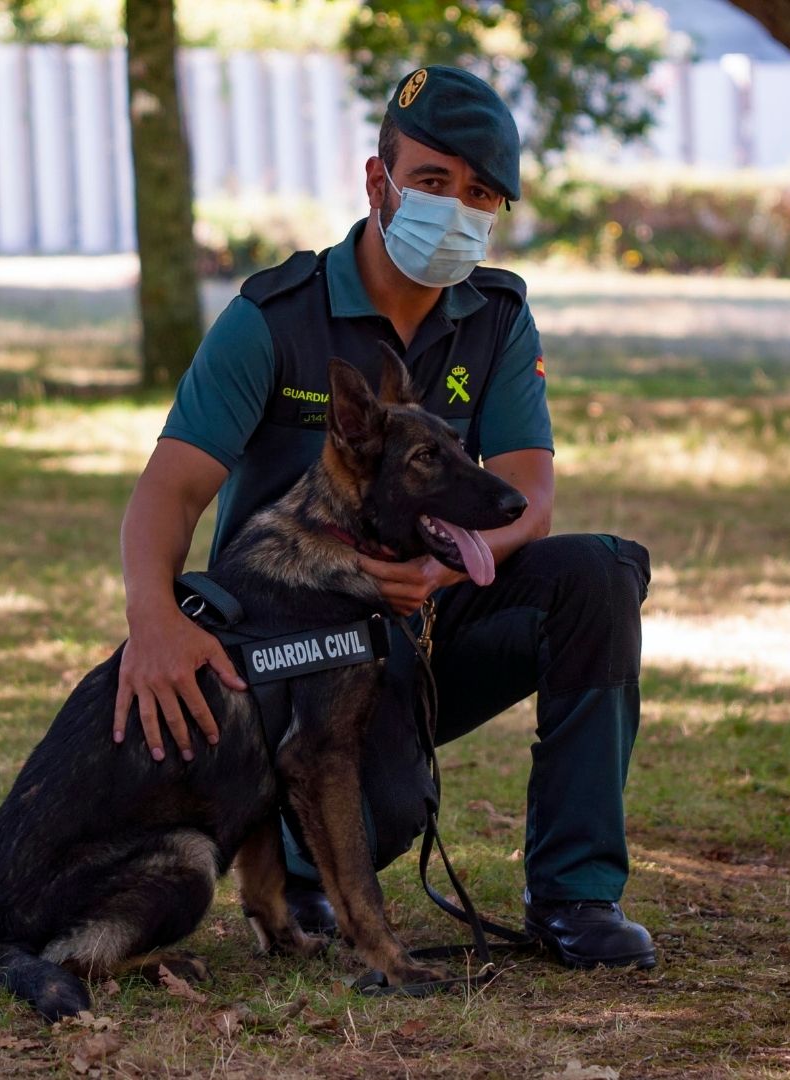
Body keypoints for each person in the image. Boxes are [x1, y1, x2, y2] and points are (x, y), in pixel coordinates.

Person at [111, 65, 656, 970]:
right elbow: (168, 489)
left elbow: (530, 489)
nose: (457, 207)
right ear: (380, 183)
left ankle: (576, 897)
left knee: (598, 575)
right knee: (384, 811)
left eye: (480, 194)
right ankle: (295, 864)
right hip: (301, 646)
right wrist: (152, 617)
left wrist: (444, 567)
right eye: (434, 181)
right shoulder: (274, 319)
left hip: (431, 613)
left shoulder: (497, 318)